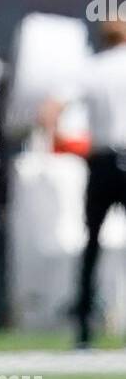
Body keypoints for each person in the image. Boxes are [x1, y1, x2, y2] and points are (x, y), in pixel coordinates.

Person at [40, 18, 126, 347]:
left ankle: (84, 331)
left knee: (91, 246)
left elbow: (49, 109)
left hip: (102, 161)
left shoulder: (92, 68)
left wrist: (59, 140)